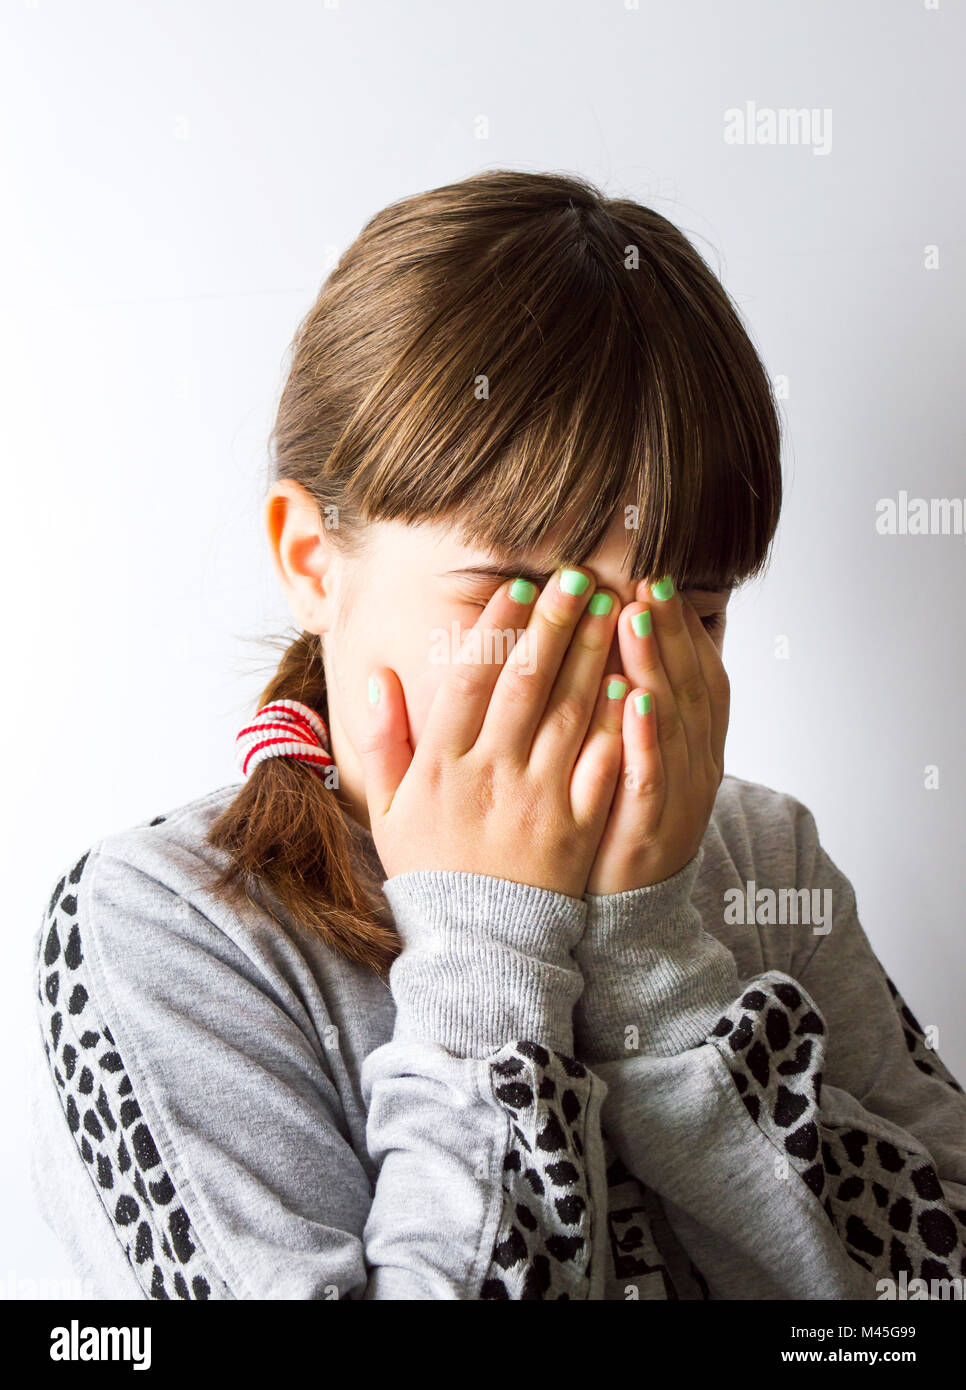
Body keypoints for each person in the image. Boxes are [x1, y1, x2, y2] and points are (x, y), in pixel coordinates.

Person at [29, 169, 966, 1300]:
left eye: (693, 615)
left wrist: (654, 965)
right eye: (526, 602)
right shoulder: (170, 929)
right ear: (310, 559)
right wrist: (490, 949)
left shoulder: (767, 858)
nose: (616, 683)